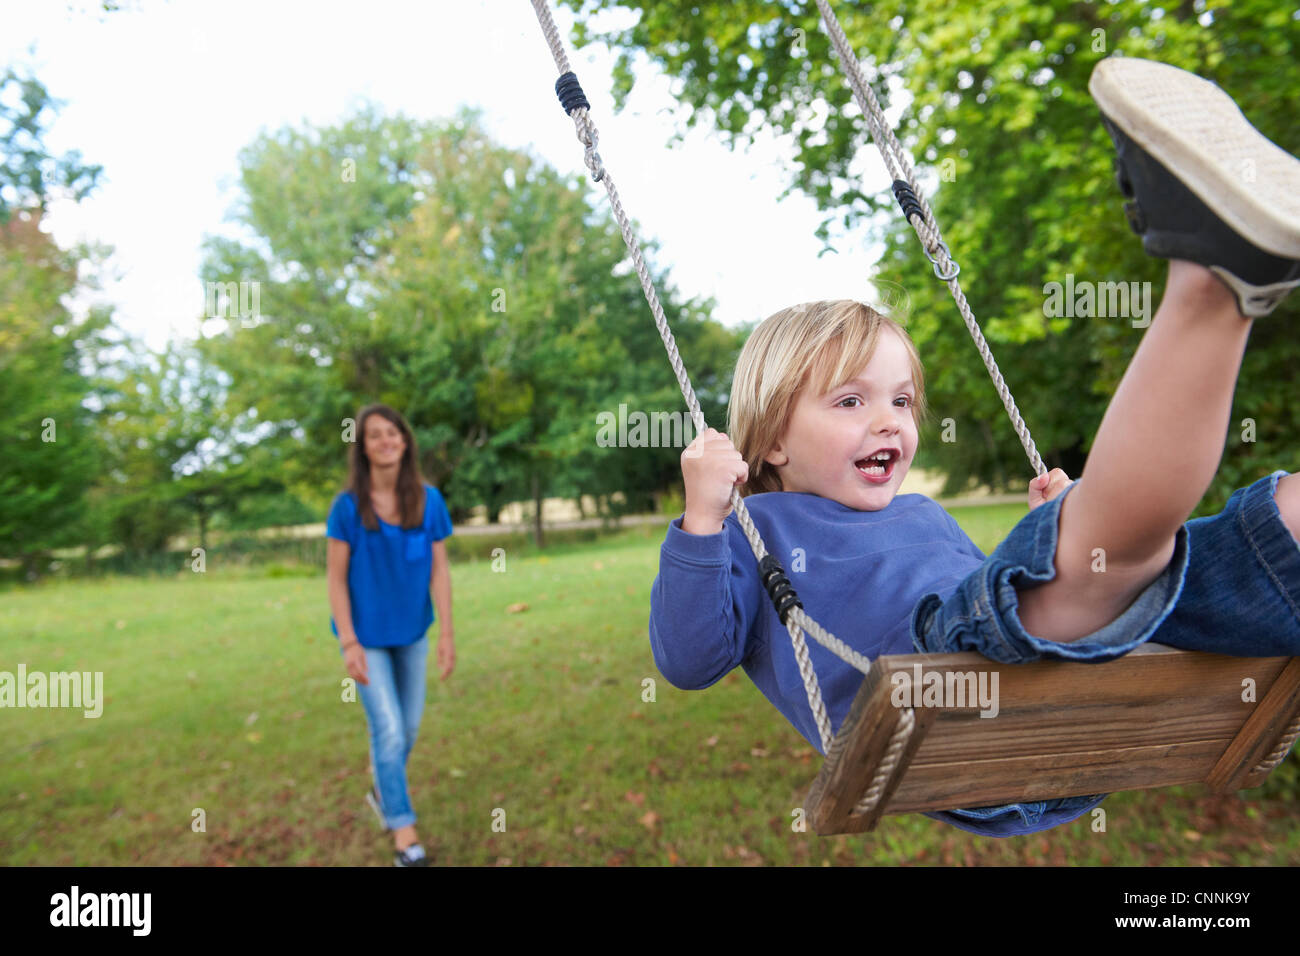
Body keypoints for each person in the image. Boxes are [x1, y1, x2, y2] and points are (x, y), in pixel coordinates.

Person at [649, 57, 1300, 837]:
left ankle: (1220, 290)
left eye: (902, 399)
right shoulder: (753, 538)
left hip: (1059, 683)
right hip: (941, 702)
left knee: (1259, 530)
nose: (889, 420)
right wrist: (700, 521)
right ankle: (1217, 279)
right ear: (772, 439)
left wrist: (1067, 541)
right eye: (851, 401)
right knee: (1109, 556)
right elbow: (688, 661)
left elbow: (997, 592)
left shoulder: (922, 514)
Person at [326, 404, 455, 865]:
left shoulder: (428, 500)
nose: (385, 441)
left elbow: (439, 571)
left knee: (409, 729)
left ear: (405, 441)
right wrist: (348, 642)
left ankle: (383, 786)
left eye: (392, 433)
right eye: (374, 435)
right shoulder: (347, 509)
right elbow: (335, 579)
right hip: (366, 639)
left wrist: (446, 635)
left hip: (413, 632)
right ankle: (405, 834)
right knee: (389, 729)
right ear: (362, 447)